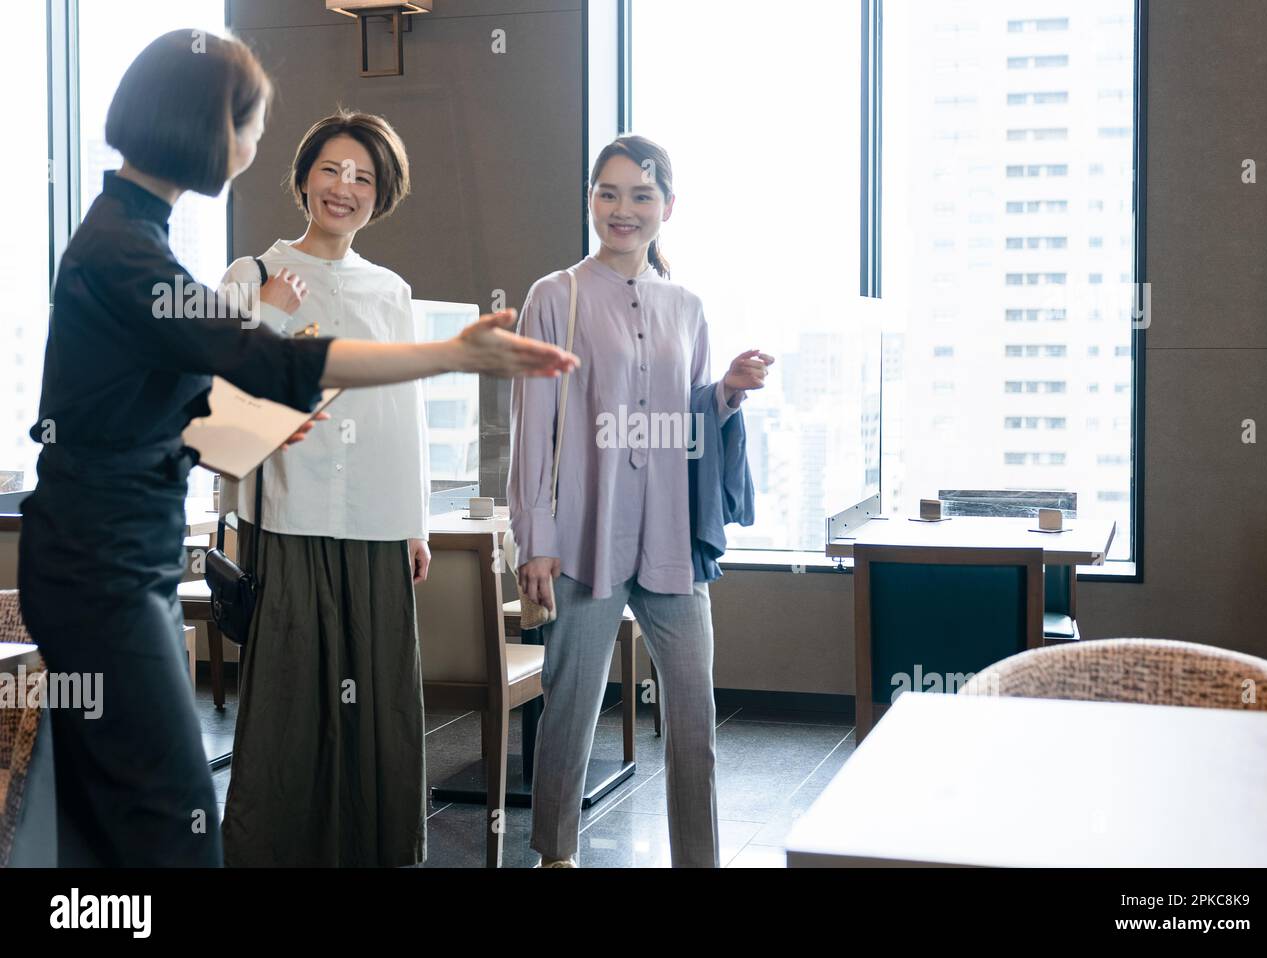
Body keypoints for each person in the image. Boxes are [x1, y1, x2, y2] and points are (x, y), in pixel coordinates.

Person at [18, 29, 575, 867]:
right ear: (199, 126)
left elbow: (181, 401)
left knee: (129, 807)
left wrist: (260, 418)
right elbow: (264, 361)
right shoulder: (132, 253)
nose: (250, 146)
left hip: (116, 556)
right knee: (162, 809)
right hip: (102, 563)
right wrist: (455, 351)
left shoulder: (136, 237)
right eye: (248, 123)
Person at [508, 134, 773, 867]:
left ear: (668, 207)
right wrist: (535, 537)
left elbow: (689, 420)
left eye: (641, 194)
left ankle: (700, 859)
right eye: (609, 192)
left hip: (670, 536)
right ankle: (555, 853)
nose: (623, 209)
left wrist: (725, 391)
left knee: (694, 717)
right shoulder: (552, 296)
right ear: (592, 199)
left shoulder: (687, 306)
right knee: (569, 706)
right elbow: (534, 425)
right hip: (583, 536)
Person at [219, 110, 433, 867]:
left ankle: (377, 851)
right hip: (289, 513)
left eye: (363, 177)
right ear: (305, 176)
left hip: (377, 519)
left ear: (383, 194)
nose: (344, 188)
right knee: (287, 700)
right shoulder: (254, 276)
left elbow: (404, 412)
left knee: (377, 700)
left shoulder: (391, 291)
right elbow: (221, 398)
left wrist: (416, 524)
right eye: (332, 171)